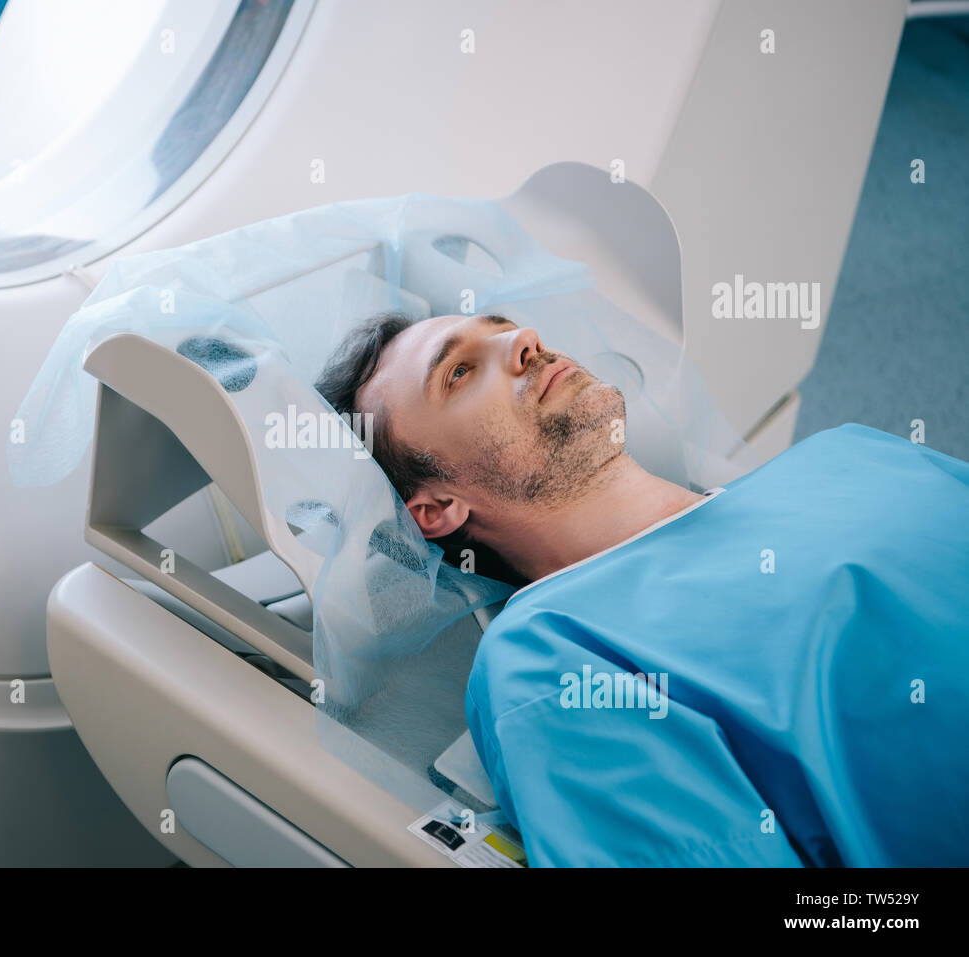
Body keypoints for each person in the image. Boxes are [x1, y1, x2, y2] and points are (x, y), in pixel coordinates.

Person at [315, 310, 969, 866]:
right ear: (436, 506)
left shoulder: (843, 454)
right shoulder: (553, 655)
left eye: (503, 327)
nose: (524, 340)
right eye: (457, 371)